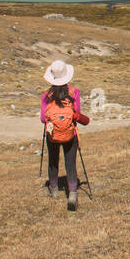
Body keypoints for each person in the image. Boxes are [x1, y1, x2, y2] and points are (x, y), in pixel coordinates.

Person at [41, 60, 90, 211]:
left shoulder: (46, 95)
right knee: (70, 163)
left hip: (52, 134)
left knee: (53, 161)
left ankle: (54, 189)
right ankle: (73, 194)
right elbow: (78, 114)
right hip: (70, 134)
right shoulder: (73, 92)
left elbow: (43, 118)